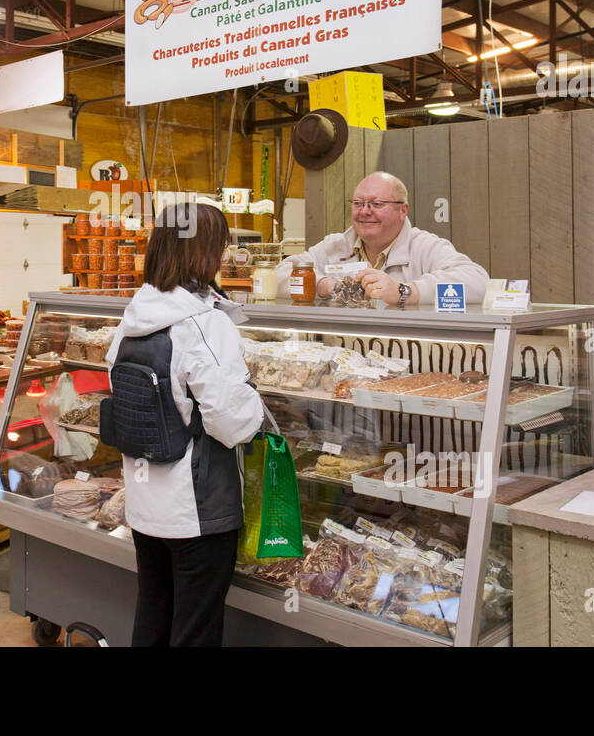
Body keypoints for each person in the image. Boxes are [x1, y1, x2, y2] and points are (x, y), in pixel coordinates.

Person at [105, 203, 264, 647]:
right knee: (195, 630)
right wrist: (257, 396)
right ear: (207, 253)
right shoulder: (205, 325)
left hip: (144, 505)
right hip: (196, 511)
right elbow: (230, 423)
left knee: (154, 615)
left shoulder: (132, 318)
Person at [278, 171, 489, 306]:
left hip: (408, 360)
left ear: (402, 210)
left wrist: (405, 291)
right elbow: (279, 274)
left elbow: (478, 282)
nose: (365, 212)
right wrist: (323, 285)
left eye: (377, 204)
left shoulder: (425, 246)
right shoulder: (335, 246)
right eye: (358, 204)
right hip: (346, 361)